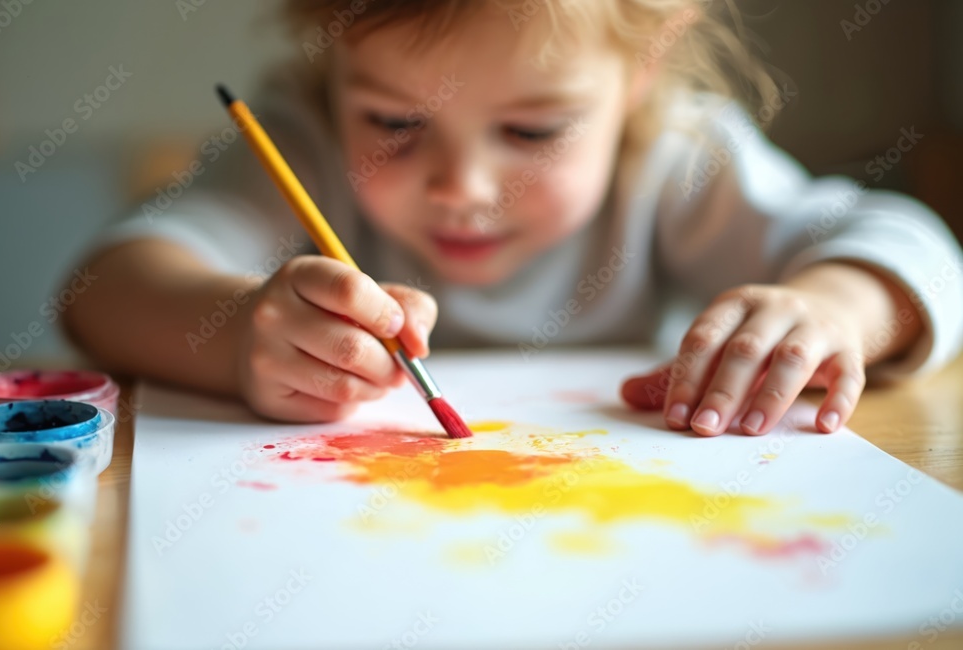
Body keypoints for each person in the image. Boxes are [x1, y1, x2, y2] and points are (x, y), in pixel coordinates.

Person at [63, 0, 963, 437]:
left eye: (531, 129)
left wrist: (842, 307)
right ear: (331, 59)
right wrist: (234, 335)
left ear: (642, 69)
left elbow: (916, 246)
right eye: (395, 122)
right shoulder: (303, 147)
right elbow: (107, 286)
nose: (461, 185)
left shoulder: (680, 162)